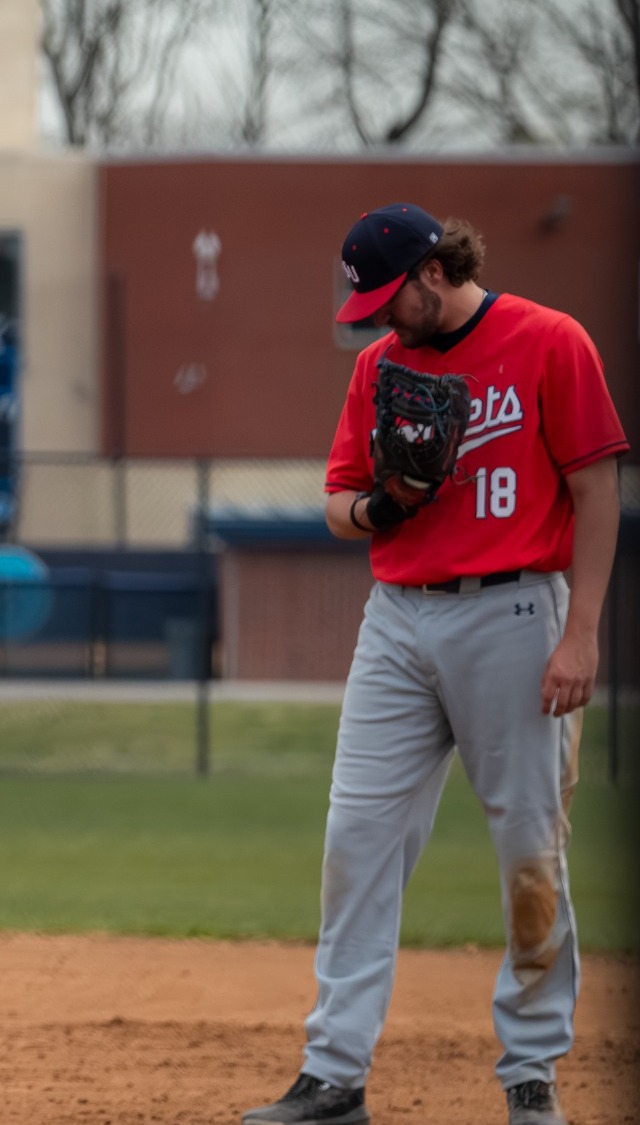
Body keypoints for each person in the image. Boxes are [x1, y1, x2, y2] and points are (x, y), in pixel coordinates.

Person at [241, 204, 625, 1125]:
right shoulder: (381, 368)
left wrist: (584, 633)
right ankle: (334, 1075)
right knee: (356, 838)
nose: (376, 320)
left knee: (530, 846)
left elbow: (597, 485)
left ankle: (531, 1074)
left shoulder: (548, 341)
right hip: (397, 619)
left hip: (517, 609)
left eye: (386, 299)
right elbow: (337, 501)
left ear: (432, 273)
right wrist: (386, 506)